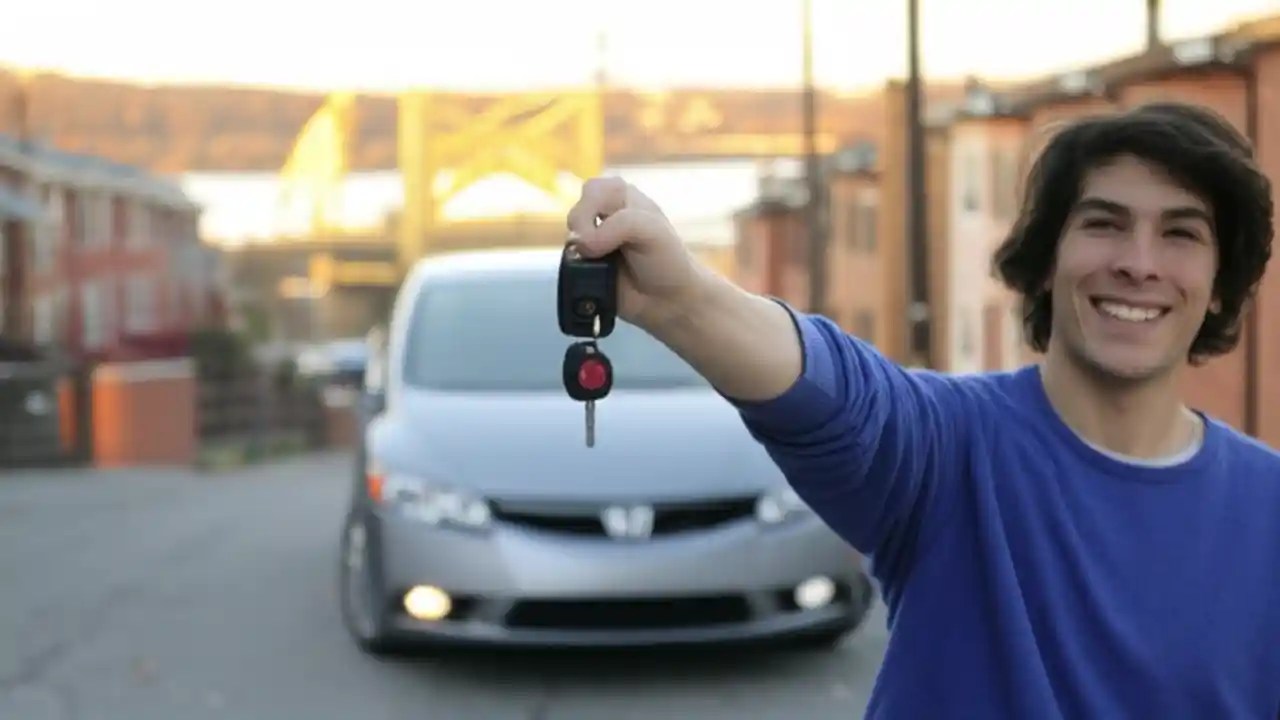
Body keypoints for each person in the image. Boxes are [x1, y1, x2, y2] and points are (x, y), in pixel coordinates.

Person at [565, 101, 1280, 718]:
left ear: (1221, 284)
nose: (1139, 262)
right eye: (1105, 224)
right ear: (1046, 261)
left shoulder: (1267, 507)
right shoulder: (948, 450)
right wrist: (683, 301)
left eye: (1181, 233)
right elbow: (833, 393)